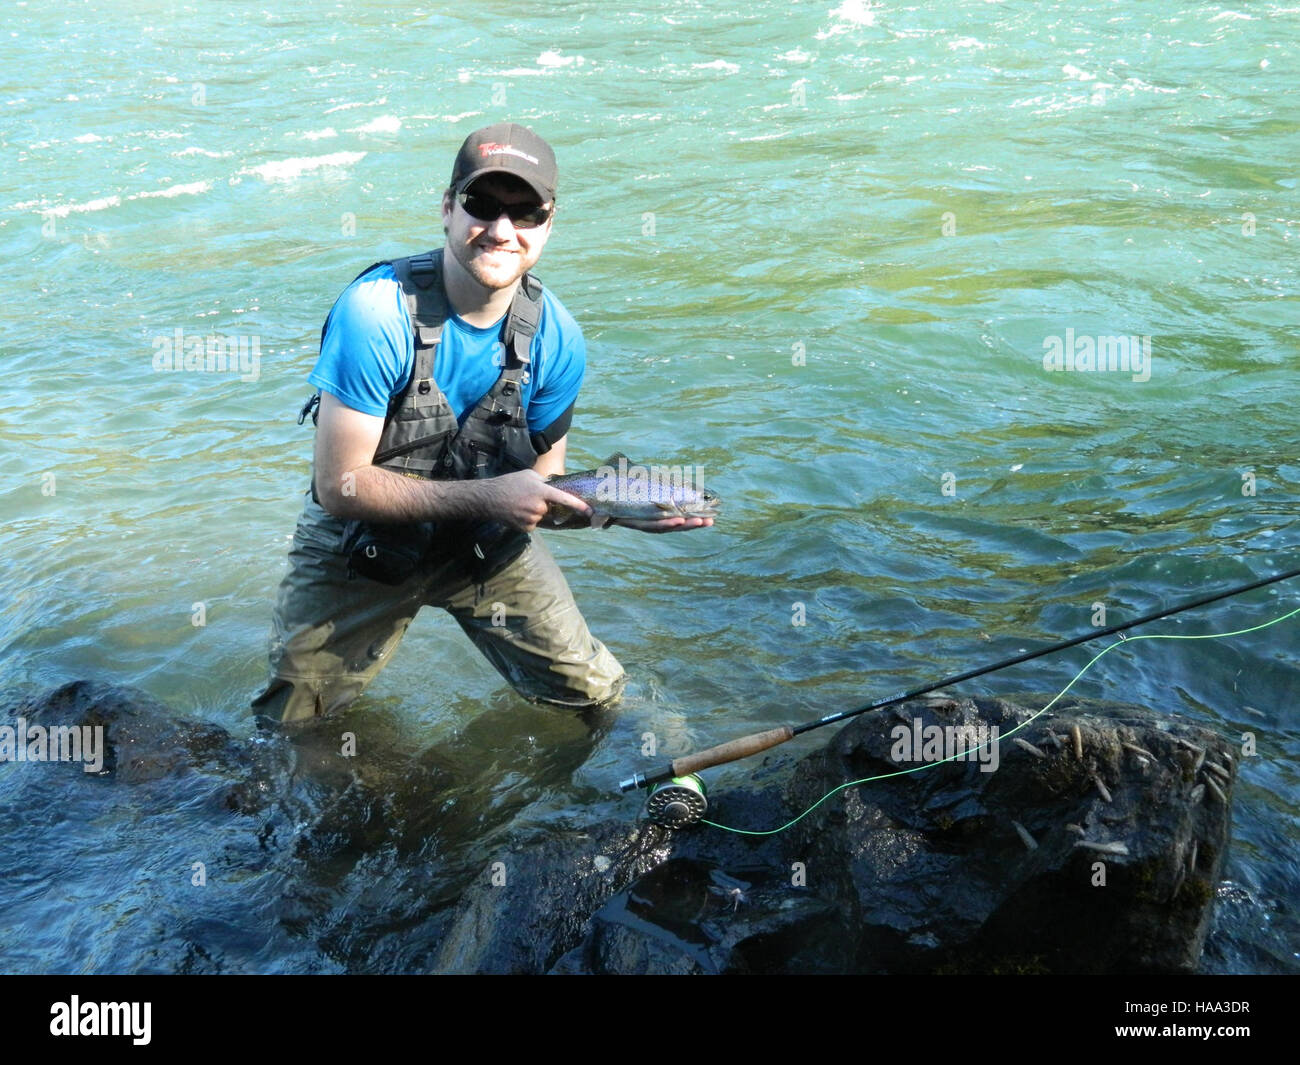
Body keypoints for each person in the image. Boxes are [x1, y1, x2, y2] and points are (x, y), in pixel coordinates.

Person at [252, 122, 711, 726]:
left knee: (598, 701)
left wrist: (625, 512)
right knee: (296, 725)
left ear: (549, 224)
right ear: (446, 209)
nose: (501, 230)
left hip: (483, 547)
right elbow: (338, 487)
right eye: (481, 205)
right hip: (361, 545)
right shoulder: (376, 314)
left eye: (526, 213)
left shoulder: (558, 339)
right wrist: (496, 495)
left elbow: (543, 491)